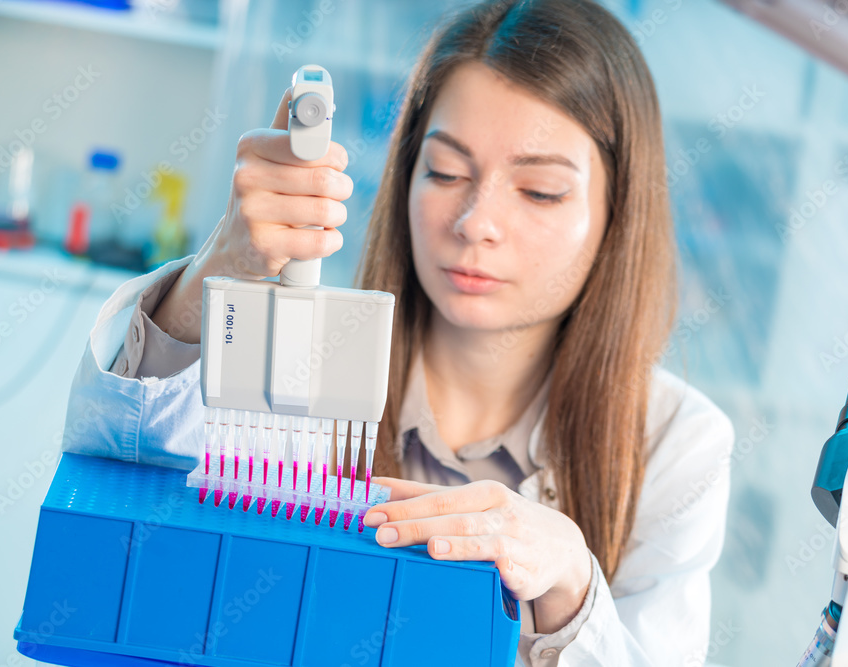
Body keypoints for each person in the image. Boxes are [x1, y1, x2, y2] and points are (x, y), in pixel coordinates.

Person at [61, 0, 734, 664]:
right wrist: (219, 265)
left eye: (539, 190)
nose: (475, 221)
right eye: (445, 172)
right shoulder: (301, 357)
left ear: (619, 211)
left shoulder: (676, 444)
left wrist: (570, 583)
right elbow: (111, 492)